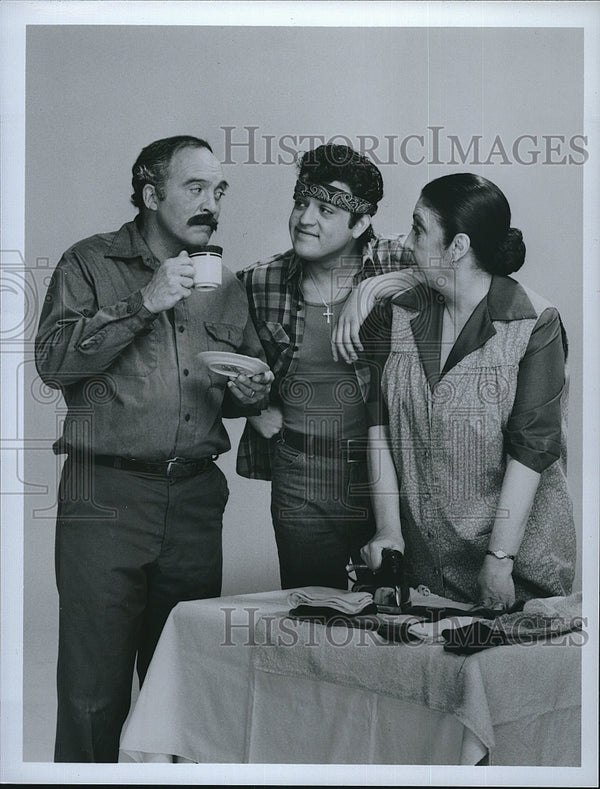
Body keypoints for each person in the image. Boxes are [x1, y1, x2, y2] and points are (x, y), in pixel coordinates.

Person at [35, 135, 273, 762]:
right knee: (92, 695)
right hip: (106, 497)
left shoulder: (226, 282)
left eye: (218, 191)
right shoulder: (88, 263)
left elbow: (232, 391)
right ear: (148, 194)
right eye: (196, 188)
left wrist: (251, 388)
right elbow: (54, 364)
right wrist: (144, 301)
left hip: (194, 499)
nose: (211, 204)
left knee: (185, 693)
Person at [349, 173, 576, 606]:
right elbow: (377, 427)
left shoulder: (535, 325)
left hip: (514, 573)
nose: (406, 240)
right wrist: (388, 529)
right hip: (424, 573)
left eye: (418, 228)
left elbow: (531, 452)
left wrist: (499, 561)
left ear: (457, 248)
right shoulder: (392, 318)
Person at [236, 144, 415, 590]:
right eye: (301, 203)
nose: (305, 219)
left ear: (361, 221)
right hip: (301, 469)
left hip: (392, 469)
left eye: (325, 209)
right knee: (313, 615)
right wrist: (253, 407)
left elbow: (459, 278)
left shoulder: (397, 261)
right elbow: (217, 354)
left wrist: (372, 289)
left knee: (396, 612)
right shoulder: (261, 280)